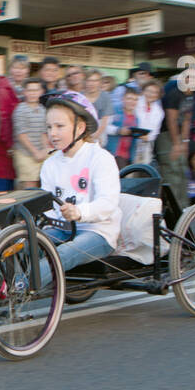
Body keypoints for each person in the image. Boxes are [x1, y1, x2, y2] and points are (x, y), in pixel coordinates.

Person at [37, 92, 121, 286]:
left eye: (60, 126)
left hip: (98, 232)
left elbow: (107, 204)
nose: (53, 133)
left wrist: (79, 212)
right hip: (64, 229)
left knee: (60, 254)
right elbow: (47, 205)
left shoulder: (100, 158)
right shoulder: (50, 164)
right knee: (25, 244)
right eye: (49, 127)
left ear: (80, 127)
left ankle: (17, 290)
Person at [0, 54, 26, 191]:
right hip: (5, 146)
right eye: (16, 67)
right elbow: (2, 118)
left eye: (22, 68)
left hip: (21, 145)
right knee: (4, 189)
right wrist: (9, 144)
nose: (19, 71)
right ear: (10, 69)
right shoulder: (4, 88)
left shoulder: (27, 89)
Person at [156, 66, 192, 207]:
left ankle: (184, 209)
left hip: (179, 137)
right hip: (166, 136)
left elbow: (187, 119)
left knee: (183, 171)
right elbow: (171, 120)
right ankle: (172, 209)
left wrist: (185, 142)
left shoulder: (190, 95)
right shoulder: (174, 93)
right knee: (172, 173)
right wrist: (177, 143)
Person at [10, 78, 49, 187]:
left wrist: (45, 150)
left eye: (36, 90)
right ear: (24, 92)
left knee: (46, 182)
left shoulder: (43, 109)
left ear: (41, 92)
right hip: (25, 153)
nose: (33, 93)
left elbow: (44, 132)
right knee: (30, 186)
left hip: (41, 151)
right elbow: (21, 135)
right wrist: (35, 152)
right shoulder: (20, 109)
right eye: (30, 90)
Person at [103, 87, 141, 169]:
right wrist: (118, 130)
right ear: (123, 99)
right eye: (129, 98)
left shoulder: (137, 117)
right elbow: (103, 127)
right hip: (112, 153)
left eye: (135, 99)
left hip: (128, 156)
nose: (132, 102)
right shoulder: (114, 110)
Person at [134, 80, 164, 166]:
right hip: (131, 141)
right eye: (149, 91)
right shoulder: (135, 102)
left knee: (143, 169)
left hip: (146, 144)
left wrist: (148, 137)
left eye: (155, 92)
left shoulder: (159, 111)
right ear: (143, 91)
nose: (151, 94)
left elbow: (155, 131)